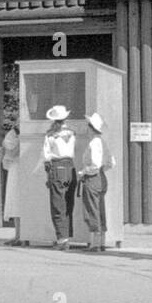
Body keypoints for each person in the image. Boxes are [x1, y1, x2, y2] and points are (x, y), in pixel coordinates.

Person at [42, 104, 77, 249]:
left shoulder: (50, 135)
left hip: (57, 168)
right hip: (71, 168)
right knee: (69, 204)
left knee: (57, 204)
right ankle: (67, 236)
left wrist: (47, 174)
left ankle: (62, 239)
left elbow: (46, 156)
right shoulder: (72, 133)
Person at [78, 112, 114, 252]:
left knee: (91, 209)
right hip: (101, 177)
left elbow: (94, 164)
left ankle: (95, 243)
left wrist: (83, 172)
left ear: (91, 127)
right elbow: (111, 162)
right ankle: (102, 241)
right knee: (100, 209)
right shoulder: (102, 142)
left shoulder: (93, 143)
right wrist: (102, 169)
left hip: (92, 178)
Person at [0, 123, 20, 224]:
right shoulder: (13, 133)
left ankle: (24, 234)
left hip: (25, 167)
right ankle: (18, 233)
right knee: (14, 200)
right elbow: (10, 150)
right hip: (16, 167)